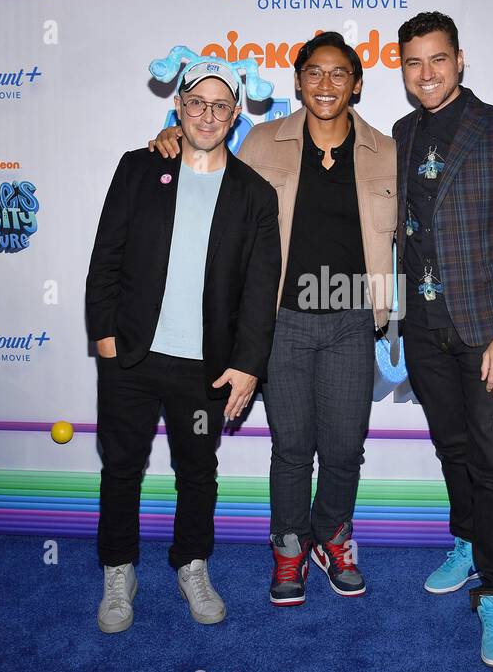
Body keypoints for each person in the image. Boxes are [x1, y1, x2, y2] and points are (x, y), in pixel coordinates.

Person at [148, 32, 397, 606]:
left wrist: (394, 313)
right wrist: (170, 137)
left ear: (356, 83)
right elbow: (207, 171)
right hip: (282, 318)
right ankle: (288, 547)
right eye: (314, 72)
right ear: (298, 82)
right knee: (291, 445)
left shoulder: (387, 150)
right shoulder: (259, 142)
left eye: (339, 74)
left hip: (354, 317)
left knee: (343, 445)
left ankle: (332, 536)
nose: (326, 84)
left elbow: (405, 239)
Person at [86, 58, 280, 632]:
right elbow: (106, 259)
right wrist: (105, 342)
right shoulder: (139, 168)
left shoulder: (255, 194)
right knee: (121, 468)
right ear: (179, 106)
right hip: (133, 358)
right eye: (196, 103)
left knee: (198, 470)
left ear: (235, 114)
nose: (207, 115)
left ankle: (192, 564)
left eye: (221, 106)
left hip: (204, 369)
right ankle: (118, 569)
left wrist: (247, 366)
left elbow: (259, 290)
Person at [392, 11, 493, 667]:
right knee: (452, 446)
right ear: (401, 69)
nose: (425, 73)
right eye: (412, 62)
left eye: (437, 59)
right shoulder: (400, 134)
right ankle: (466, 541)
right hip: (426, 330)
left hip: (490, 332)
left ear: (461, 60)